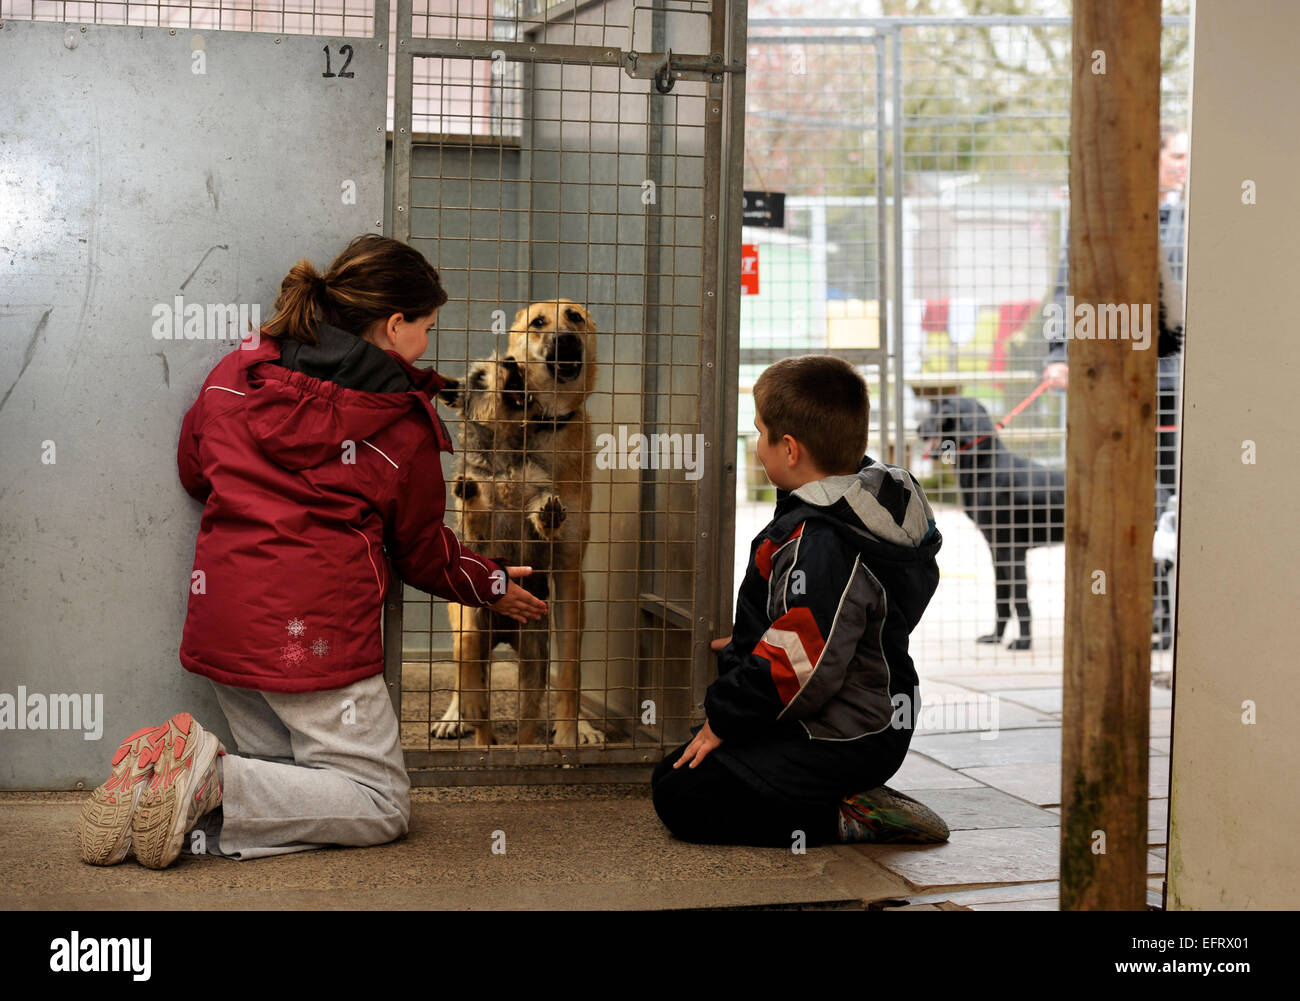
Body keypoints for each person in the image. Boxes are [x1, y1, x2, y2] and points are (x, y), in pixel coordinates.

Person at [75, 235, 547, 869]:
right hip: (314, 641)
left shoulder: (238, 374)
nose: (427, 346)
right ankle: (212, 779)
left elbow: (195, 471)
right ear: (394, 324)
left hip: (224, 630)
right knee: (379, 804)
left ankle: (158, 789)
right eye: (427, 328)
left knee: (288, 785)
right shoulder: (398, 425)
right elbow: (420, 548)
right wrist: (487, 581)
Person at [651, 355, 950, 847]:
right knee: (677, 772)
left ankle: (853, 815)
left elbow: (802, 657)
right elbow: (831, 620)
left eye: (760, 432)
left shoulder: (825, 538)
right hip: (854, 718)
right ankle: (844, 791)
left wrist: (726, 713)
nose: (756, 444)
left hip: (850, 732)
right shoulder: (855, 506)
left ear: (789, 449)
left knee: (683, 796)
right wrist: (765, 629)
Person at [1041, 125, 1187, 648]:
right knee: (1126, 497)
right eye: (1176, 155)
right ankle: (1132, 613)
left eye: (1188, 157)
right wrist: (1059, 355)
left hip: (1179, 384)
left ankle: (1168, 617)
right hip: (1121, 386)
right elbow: (1068, 284)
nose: (1183, 166)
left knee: (1174, 498)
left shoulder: (1195, 218)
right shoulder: (1101, 215)